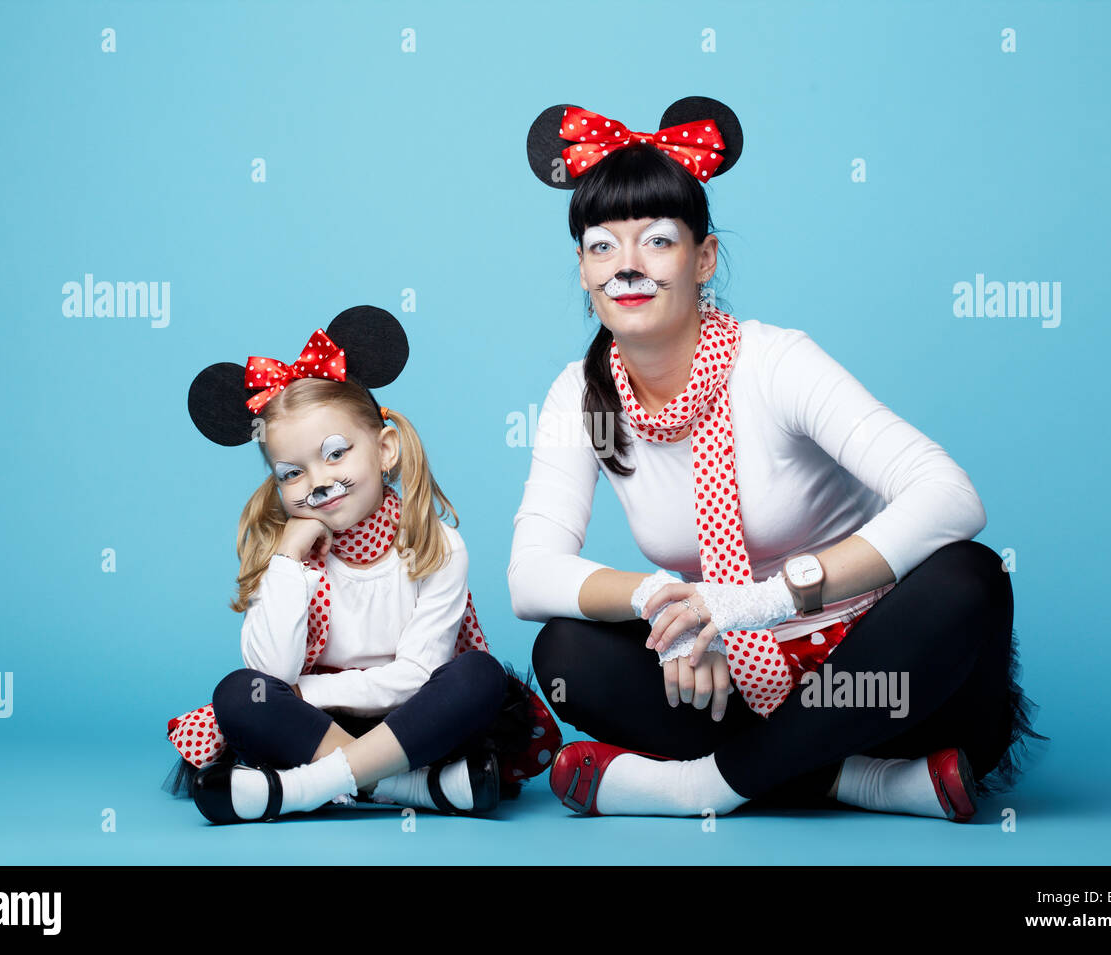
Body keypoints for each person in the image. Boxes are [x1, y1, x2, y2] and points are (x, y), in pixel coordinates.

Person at [512, 98, 1047, 819]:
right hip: (731, 675)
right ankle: (848, 780)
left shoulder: (775, 362)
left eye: (658, 241)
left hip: (885, 678)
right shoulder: (582, 398)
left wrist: (761, 600)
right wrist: (664, 604)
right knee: (565, 653)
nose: (627, 267)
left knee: (970, 577)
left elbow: (951, 495)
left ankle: (708, 784)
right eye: (603, 246)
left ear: (704, 258)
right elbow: (531, 574)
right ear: (581, 270)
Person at [162, 306, 558, 824]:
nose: (318, 483)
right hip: (312, 727)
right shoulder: (289, 561)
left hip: (411, 722)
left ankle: (299, 789)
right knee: (240, 694)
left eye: (335, 453)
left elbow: (418, 676)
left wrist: (307, 689)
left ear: (385, 449)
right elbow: (272, 675)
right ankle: (411, 789)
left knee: (477, 678)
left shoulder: (435, 546)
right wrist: (286, 558)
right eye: (292, 474)